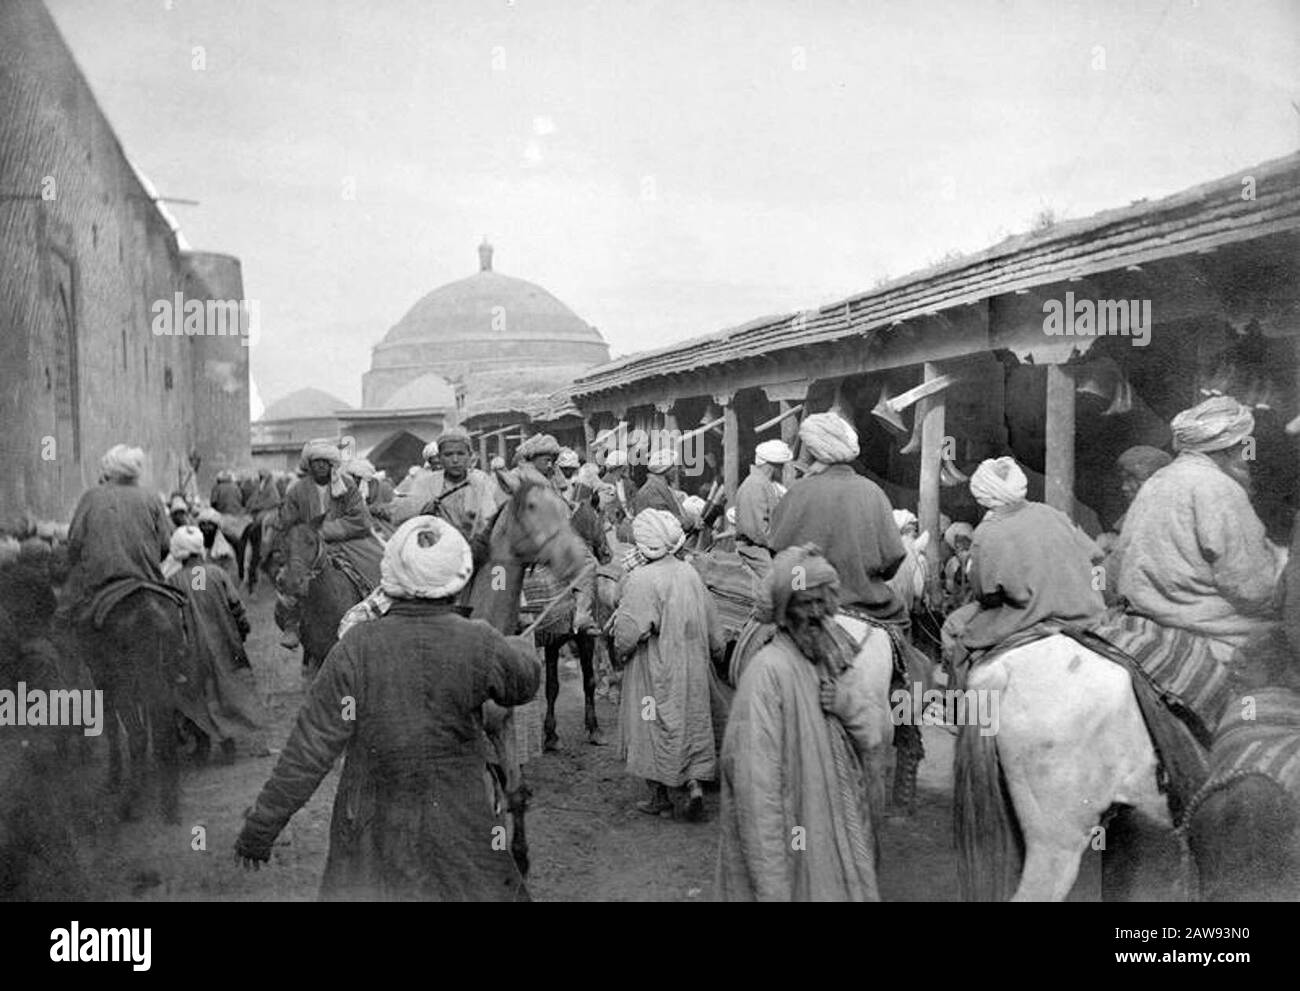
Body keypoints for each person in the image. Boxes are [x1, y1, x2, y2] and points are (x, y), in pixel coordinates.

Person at [235, 516, 540, 901]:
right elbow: (522, 684)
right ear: (457, 576)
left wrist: (262, 826)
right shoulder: (479, 640)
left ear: (391, 575)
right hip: (460, 816)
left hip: (371, 825)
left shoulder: (354, 646)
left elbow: (309, 748)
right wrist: (521, 649)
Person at [1098, 396, 1285, 731]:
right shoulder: (1219, 488)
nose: (1247, 456)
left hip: (1146, 615)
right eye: (1244, 448)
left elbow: (1118, 565)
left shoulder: (1157, 481)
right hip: (1208, 627)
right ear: (1230, 448)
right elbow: (1252, 586)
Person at [716, 545, 884, 901]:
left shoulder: (827, 658)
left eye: (823, 603)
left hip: (831, 840)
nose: (818, 614)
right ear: (785, 612)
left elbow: (873, 734)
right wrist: (773, 889)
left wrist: (844, 703)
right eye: (806, 605)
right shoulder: (766, 673)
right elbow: (755, 793)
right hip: (793, 849)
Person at [942, 457, 1107, 668]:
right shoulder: (1053, 514)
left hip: (1026, 616)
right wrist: (1097, 594)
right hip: (1083, 610)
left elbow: (985, 594)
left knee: (952, 627)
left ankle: (959, 698)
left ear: (982, 497)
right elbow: (1096, 558)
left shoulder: (987, 532)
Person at [612, 509, 723, 819]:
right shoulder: (689, 573)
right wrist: (717, 649)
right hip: (692, 664)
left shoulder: (642, 579)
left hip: (654, 667)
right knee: (690, 719)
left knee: (651, 722)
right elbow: (714, 621)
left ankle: (658, 796)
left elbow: (629, 630)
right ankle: (693, 785)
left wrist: (620, 652)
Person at [769, 412, 906, 624]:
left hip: (807, 602)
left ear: (813, 452)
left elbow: (777, 551)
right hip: (869, 605)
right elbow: (895, 556)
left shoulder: (797, 492)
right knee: (909, 647)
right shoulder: (873, 491)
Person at [165, 526, 266, 762]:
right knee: (226, 691)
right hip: (223, 644)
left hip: (192, 650)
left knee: (197, 695)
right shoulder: (216, 573)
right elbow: (237, 608)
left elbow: (171, 621)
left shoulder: (173, 581)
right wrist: (242, 631)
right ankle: (228, 743)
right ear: (200, 548)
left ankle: (202, 745)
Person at [273, 440, 384, 650]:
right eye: (316, 462)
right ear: (310, 464)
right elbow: (288, 519)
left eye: (325, 461)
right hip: (307, 542)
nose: (321, 466)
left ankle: (379, 614)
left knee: (377, 563)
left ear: (332, 463)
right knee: (290, 576)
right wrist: (304, 532)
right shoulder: (297, 490)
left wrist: (326, 530)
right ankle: (292, 624)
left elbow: (360, 519)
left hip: (348, 541)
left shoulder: (347, 485)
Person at [65, 444, 174, 628]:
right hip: (147, 583)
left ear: (109, 471)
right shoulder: (152, 498)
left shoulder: (91, 497)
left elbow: (74, 545)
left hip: (99, 586)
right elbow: (165, 546)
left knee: (64, 625)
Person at [388, 428, 498, 538]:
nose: (455, 460)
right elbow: (401, 513)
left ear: (469, 456)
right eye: (448, 455)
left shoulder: (481, 484)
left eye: (460, 454)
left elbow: (490, 521)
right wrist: (423, 508)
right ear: (440, 457)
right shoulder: (424, 484)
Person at [734, 439, 793, 577]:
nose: (782, 471)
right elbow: (758, 532)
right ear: (772, 466)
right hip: (755, 553)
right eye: (781, 466)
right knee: (784, 582)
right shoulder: (754, 486)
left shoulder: (764, 484)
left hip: (766, 548)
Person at [632, 448, 686, 522]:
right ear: (665, 469)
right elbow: (666, 521)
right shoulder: (651, 492)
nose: (676, 470)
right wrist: (690, 523)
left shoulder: (662, 488)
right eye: (673, 466)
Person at [195, 507, 239, 576]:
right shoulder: (196, 547)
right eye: (203, 524)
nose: (206, 528)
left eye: (209, 524)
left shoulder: (225, 552)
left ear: (216, 527)